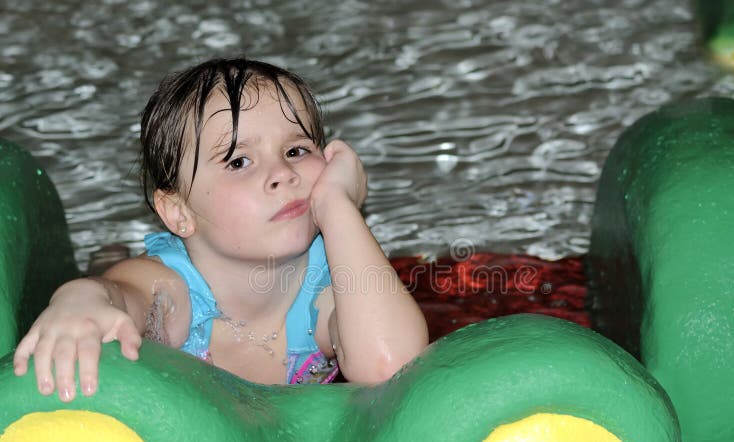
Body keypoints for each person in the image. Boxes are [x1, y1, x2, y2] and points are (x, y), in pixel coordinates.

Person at [13, 58, 429, 401]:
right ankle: (108, 252)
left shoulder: (329, 289)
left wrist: (338, 207)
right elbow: (114, 295)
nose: (282, 173)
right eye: (238, 161)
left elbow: (389, 367)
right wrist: (75, 303)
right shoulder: (171, 293)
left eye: (297, 150)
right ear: (178, 212)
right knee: (109, 269)